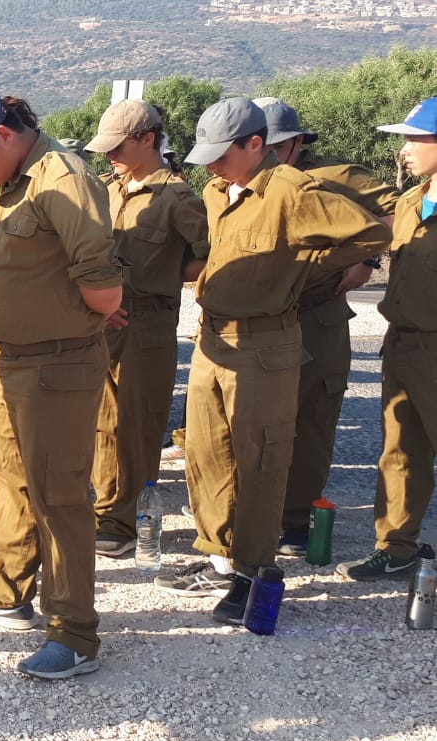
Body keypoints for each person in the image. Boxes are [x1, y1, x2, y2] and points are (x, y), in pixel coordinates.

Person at [164, 98, 389, 621]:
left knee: (261, 462)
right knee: (208, 454)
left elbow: (372, 232)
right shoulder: (217, 191)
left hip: (264, 346)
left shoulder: (293, 190)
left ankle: (252, 569)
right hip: (212, 340)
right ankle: (218, 556)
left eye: (223, 154)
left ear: (255, 144)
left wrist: (306, 265)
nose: (212, 165)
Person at [0, 93, 122, 680]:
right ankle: (7, 590)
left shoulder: (62, 177)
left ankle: (73, 634)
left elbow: (103, 284)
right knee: (13, 481)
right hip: (12, 360)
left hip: (56, 365)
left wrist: (77, 318)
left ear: (4, 135)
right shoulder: (12, 180)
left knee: (59, 497)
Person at [256, 98, 399, 555]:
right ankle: (250, 515)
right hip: (261, 318)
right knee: (255, 423)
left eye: (278, 147)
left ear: (298, 142)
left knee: (310, 422)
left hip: (315, 316)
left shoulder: (339, 177)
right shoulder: (243, 181)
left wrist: (366, 259)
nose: (268, 155)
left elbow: (400, 217)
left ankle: (296, 521)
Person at [83, 100, 208, 559]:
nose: (109, 155)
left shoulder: (176, 196)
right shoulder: (107, 189)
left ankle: (124, 520)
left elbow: (212, 252)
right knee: (101, 421)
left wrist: (166, 273)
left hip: (146, 320)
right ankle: (104, 507)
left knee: (137, 422)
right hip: (103, 318)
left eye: (118, 146)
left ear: (148, 140)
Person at [341, 99, 437, 579]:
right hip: (401, 343)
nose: (405, 149)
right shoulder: (409, 202)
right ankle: (397, 547)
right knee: (400, 451)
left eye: (416, 138)